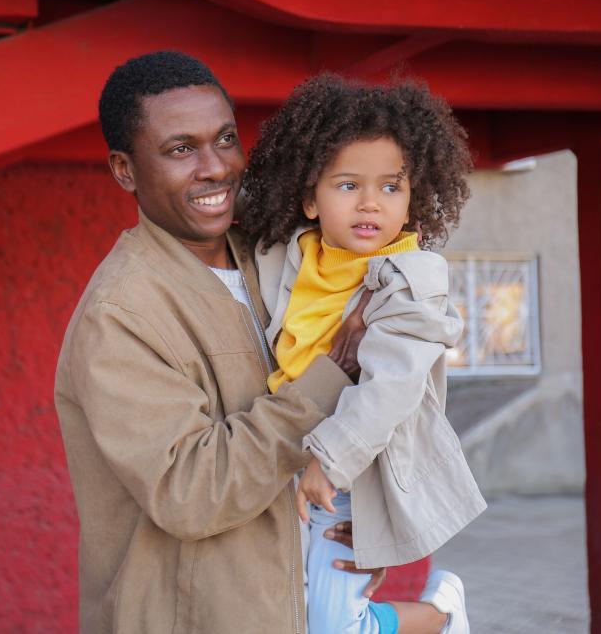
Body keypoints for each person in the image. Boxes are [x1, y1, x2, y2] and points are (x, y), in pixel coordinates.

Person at [55, 52, 382, 634]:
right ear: (125, 170)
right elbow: (192, 491)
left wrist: (374, 520)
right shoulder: (120, 314)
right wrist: (329, 376)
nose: (216, 167)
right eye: (181, 149)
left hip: (295, 606)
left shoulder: (279, 255)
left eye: (225, 139)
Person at [240, 75, 488, 634]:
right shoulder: (288, 253)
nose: (370, 202)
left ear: (413, 200)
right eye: (348, 185)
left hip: (350, 476)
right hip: (284, 465)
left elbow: (389, 389)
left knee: (334, 627)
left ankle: (440, 615)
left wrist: (326, 463)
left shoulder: (412, 280)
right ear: (310, 197)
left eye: (391, 187)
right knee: (285, 617)